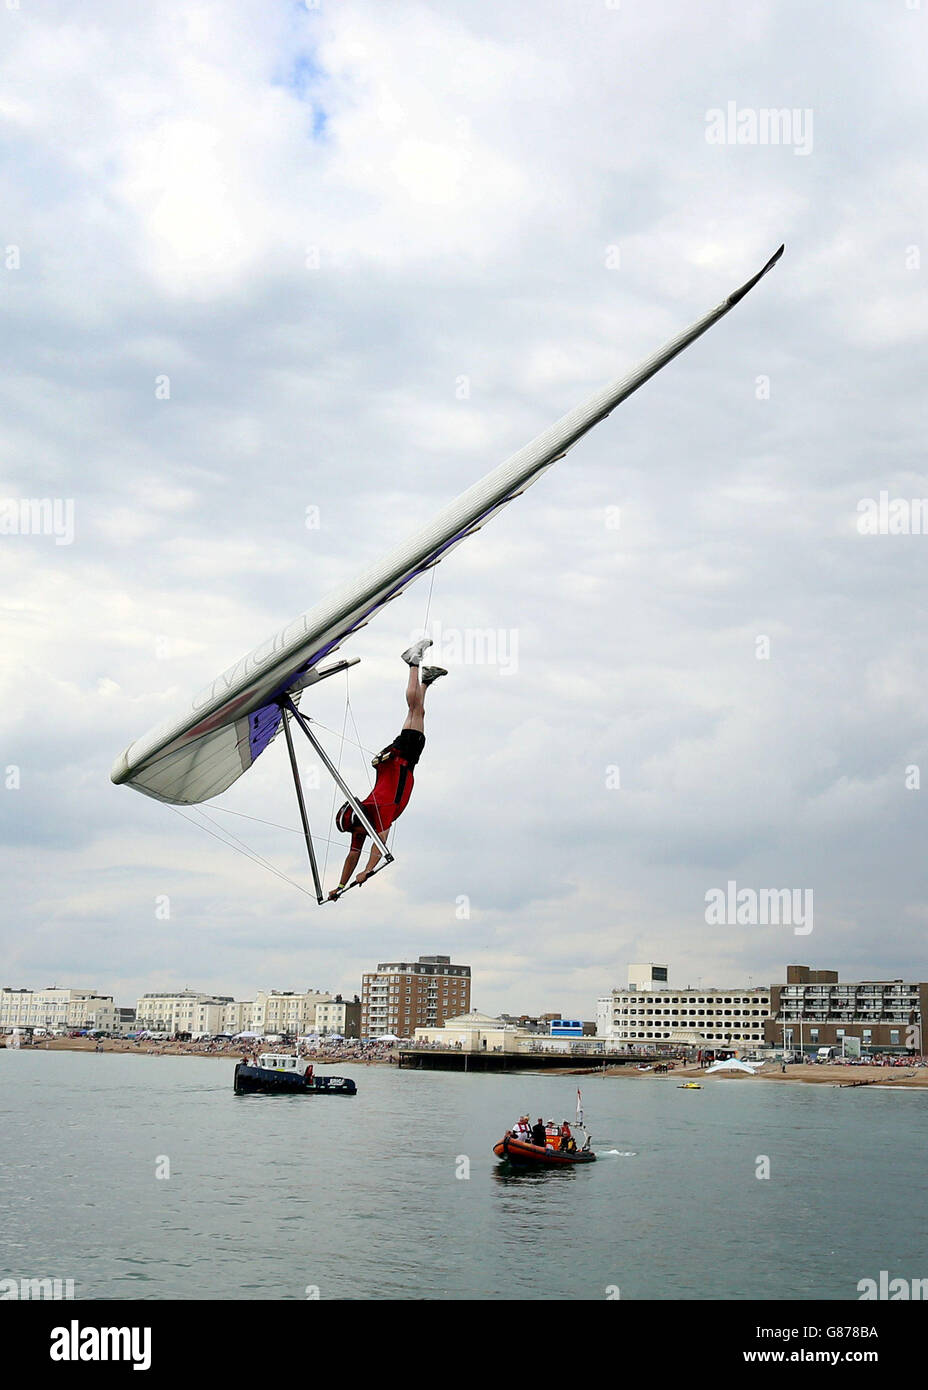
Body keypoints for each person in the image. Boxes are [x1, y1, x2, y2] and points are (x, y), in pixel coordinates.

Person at [329, 640, 446, 900]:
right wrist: (339, 886)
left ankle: (413, 663)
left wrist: (368, 872)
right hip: (399, 760)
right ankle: (425, 681)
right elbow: (352, 856)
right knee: (419, 712)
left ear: (360, 821)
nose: (355, 837)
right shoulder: (364, 824)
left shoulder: (377, 814)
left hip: (401, 757)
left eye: (355, 832)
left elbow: (378, 847)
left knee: (414, 710)